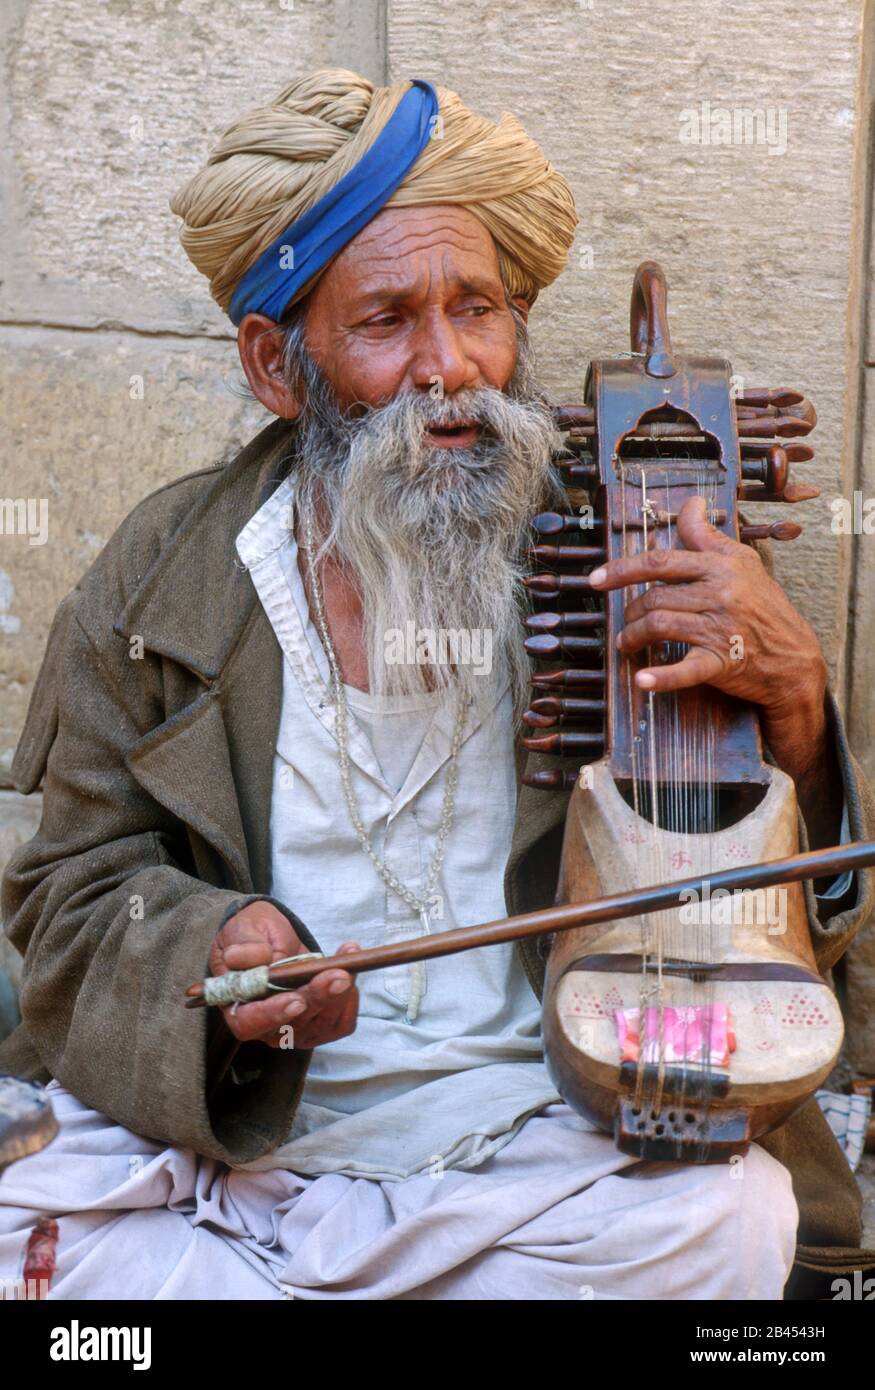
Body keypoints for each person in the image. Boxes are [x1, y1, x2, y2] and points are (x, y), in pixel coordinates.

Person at [0, 69, 872, 1301]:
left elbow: (785, 935)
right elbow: (68, 900)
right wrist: (216, 947)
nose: (447, 367)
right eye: (385, 322)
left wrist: (793, 707)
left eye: (478, 310)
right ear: (274, 362)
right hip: (248, 1149)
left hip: (544, 1136)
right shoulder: (163, 578)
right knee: (28, 1225)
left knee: (723, 1223)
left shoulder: (623, 547)